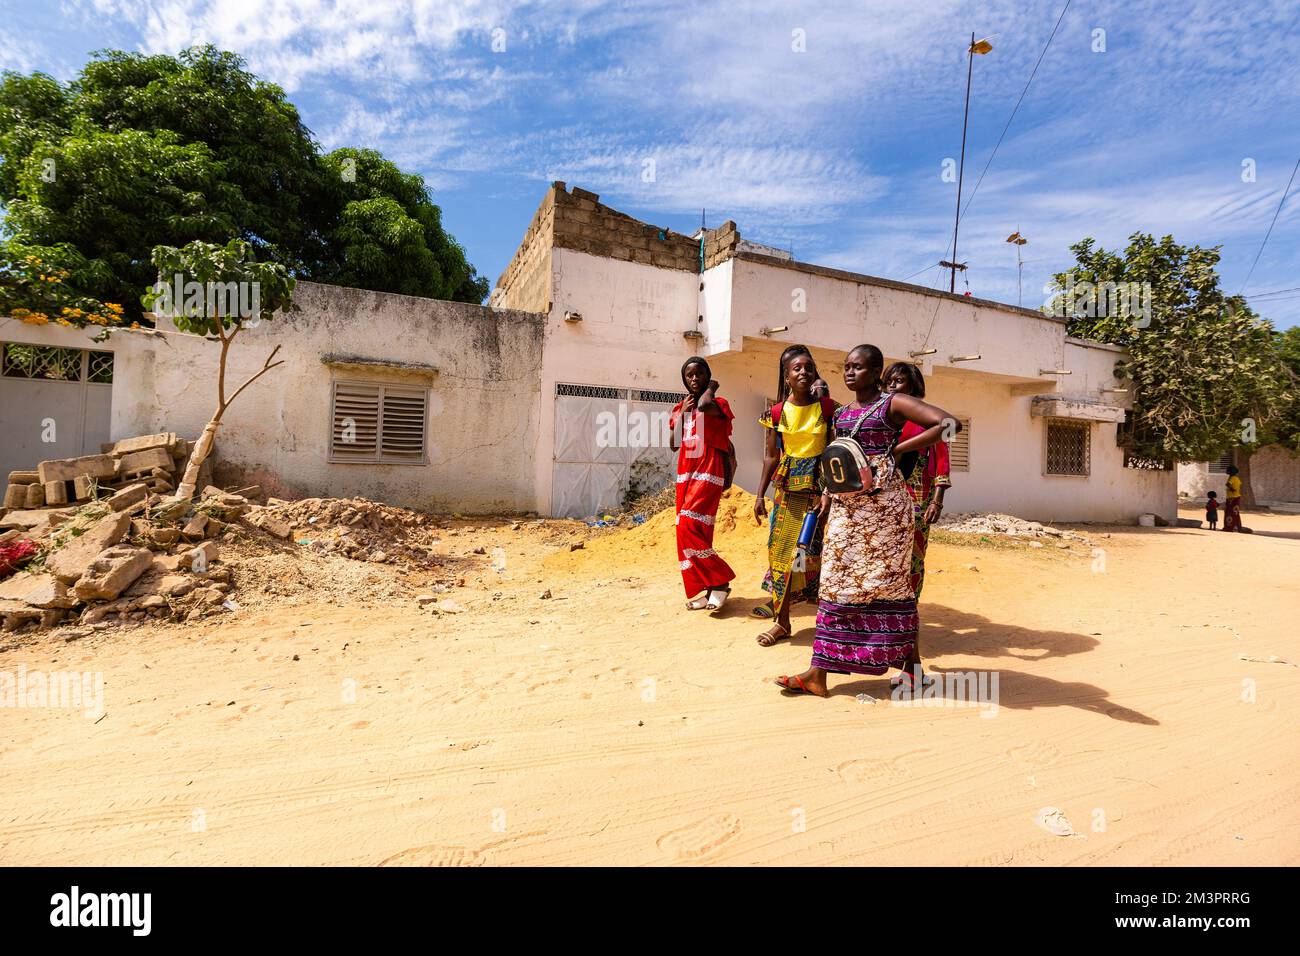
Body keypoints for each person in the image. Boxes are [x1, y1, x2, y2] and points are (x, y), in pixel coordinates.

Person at [776, 344, 961, 698]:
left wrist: (900, 449)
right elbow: (837, 460)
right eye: (846, 366)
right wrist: (826, 499)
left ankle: (913, 669)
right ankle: (818, 672)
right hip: (847, 514)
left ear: (876, 372)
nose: (849, 372)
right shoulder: (842, 413)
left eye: (858, 367)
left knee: (890, 588)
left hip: (886, 517)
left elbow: (950, 424)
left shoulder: (892, 403)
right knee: (833, 587)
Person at [752, 345, 836, 646]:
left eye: (808, 367)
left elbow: (834, 453)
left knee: (814, 556)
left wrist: (828, 491)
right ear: (787, 376)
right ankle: (783, 622)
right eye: (797, 368)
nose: (803, 372)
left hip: (818, 494)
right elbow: (771, 457)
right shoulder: (776, 413)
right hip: (786, 493)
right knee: (781, 554)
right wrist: (760, 496)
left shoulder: (828, 409)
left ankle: (829, 625)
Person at [883, 361, 951, 685]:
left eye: (901, 381)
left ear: (913, 388)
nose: (895, 386)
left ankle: (913, 666)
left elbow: (941, 456)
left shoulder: (924, 418)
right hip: (884, 512)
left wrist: (937, 498)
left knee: (908, 578)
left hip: (916, 507)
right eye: (890, 381)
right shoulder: (884, 420)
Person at [669, 358, 736, 610]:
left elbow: (706, 404)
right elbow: (673, 443)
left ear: (708, 376)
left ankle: (720, 582)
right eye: (689, 375)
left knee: (689, 522)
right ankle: (709, 589)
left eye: (700, 374)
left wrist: (712, 389)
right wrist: (684, 413)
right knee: (691, 530)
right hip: (686, 472)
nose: (694, 379)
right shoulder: (680, 408)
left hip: (708, 469)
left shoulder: (718, 403)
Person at [1223, 465, 1243, 532]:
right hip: (1236, 497)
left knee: (1229, 512)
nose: (1226, 471)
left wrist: (1232, 489)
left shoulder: (1232, 478)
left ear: (1231, 471)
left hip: (1232, 498)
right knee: (1235, 513)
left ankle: (1229, 528)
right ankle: (1236, 527)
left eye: (1228, 470)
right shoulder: (1236, 478)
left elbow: (1228, 484)